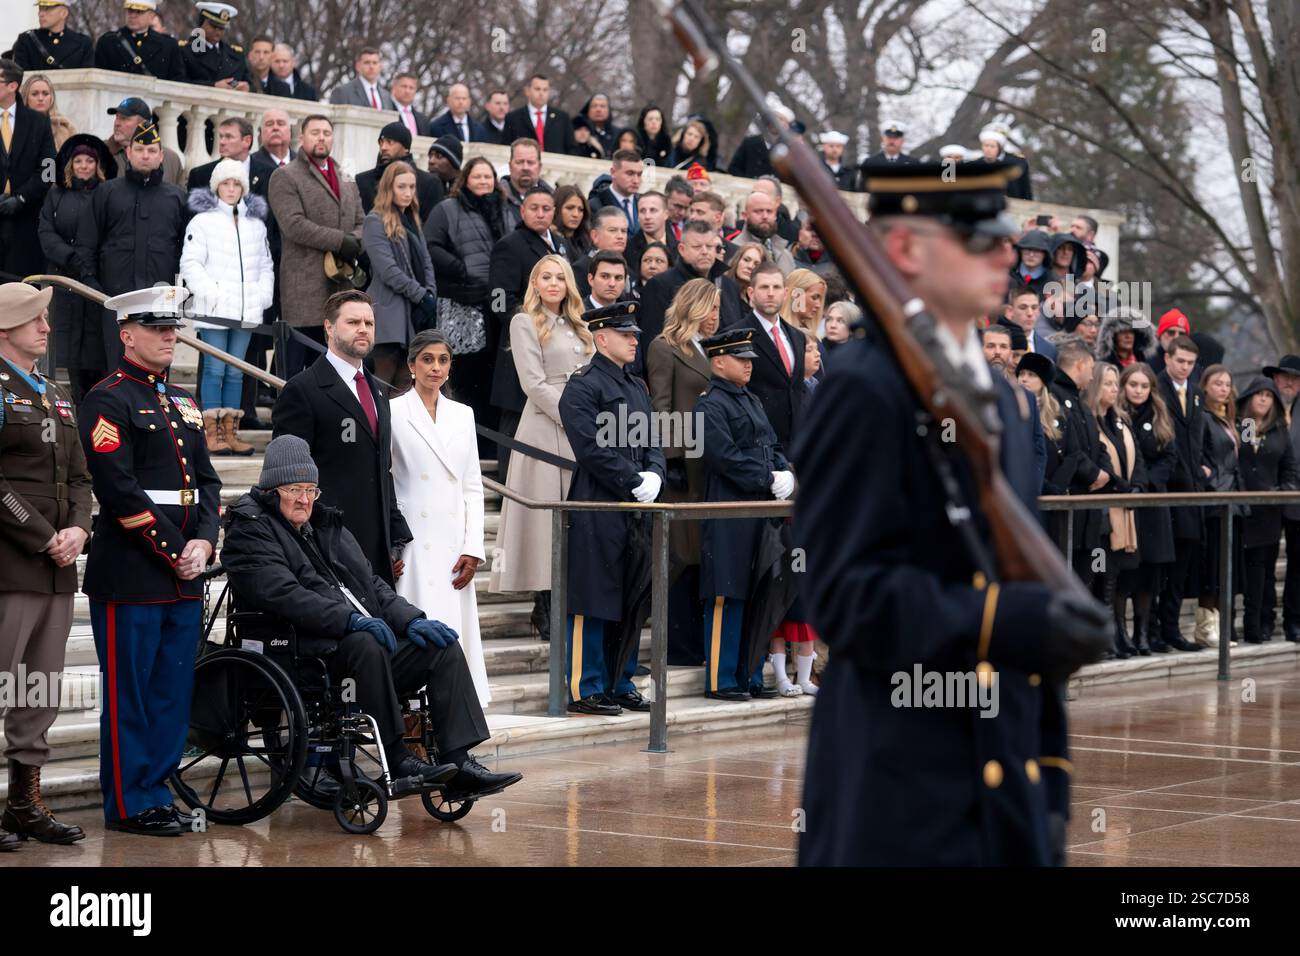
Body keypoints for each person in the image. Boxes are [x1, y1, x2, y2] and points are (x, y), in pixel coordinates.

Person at [795, 159, 1109, 866]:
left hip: (1007, 778)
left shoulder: (1002, 399)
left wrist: (1049, 776)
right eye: (976, 238)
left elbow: (1016, 560)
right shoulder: (863, 389)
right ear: (905, 249)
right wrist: (1008, 622)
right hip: (900, 789)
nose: (1006, 254)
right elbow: (848, 598)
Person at [220, 435, 521, 800]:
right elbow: (285, 596)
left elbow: (372, 584)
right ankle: (397, 759)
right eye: (294, 489)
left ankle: (458, 763)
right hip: (298, 648)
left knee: (442, 646)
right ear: (271, 488)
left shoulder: (324, 524)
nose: (304, 499)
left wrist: (411, 620)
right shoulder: (250, 527)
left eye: (311, 490)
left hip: (352, 645)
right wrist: (351, 621)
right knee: (366, 643)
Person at [78, 285, 222, 836]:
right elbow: (119, 489)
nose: (169, 336)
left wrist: (204, 543)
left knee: (170, 692)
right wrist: (174, 550)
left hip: (186, 574)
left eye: (173, 328)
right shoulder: (107, 399)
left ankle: (156, 792)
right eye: (157, 328)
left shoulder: (183, 400)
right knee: (131, 695)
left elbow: (206, 483)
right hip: (134, 573)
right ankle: (129, 803)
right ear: (126, 334)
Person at [0, 283, 92, 849]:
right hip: (11, 562)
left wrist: (80, 529)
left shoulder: (53, 391)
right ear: (5, 327)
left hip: (57, 567)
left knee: (40, 689)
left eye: (46, 319)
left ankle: (23, 803)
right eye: (34, 319)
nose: (46, 328)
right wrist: (42, 535)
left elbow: (80, 476)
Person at [559, 301, 666, 715]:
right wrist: (632, 479)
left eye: (635, 334)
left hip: (636, 506)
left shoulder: (636, 386)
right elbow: (590, 448)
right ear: (601, 338)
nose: (634, 340)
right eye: (626, 334)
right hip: (598, 502)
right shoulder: (583, 385)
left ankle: (619, 681)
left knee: (630, 595)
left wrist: (654, 472)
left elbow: (653, 436)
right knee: (593, 597)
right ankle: (585, 687)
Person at [272, 290, 412, 587]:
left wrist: (395, 531)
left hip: (376, 546)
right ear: (329, 328)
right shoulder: (302, 390)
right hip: (327, 545)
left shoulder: (377, 391)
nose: (363, 329)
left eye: (369, 323)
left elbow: (381, 467)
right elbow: (287, 476)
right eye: (353, 322)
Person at [490, 255, 593, 642]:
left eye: (560, 278)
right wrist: (573, 417)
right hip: (546, 424)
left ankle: (570, 597)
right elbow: (532, 383)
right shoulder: (524, 322)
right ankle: (544, 602)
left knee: (575, 516)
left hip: (581, 426)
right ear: (534, 283)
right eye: (545, 277)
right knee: (544, 518)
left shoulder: (579, 325)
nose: (553, 284)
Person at [389, 331, 490, 706]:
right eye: (427, 359)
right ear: (412, 365)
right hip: (413, 540)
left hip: (452, 546)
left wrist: (473, 547)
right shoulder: (393, 411)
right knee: (417, 633)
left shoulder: (463, 415)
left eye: (443, 360)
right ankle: (413, 719)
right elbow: (383, 481)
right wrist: (390, 544)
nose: (435, 367)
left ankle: (456, 720)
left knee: (454, 633)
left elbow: (472, 486)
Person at [695, 327, 796, 699]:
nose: (748, 365)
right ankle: (722, 679)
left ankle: (750, 674)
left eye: (750, 359)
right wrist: (768, 478)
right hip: (729, 509)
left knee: (757, 590)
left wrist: (786, 471)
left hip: (758, 510)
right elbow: (723, 458)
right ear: (719, 361)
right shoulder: (709, 404)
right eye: (740, 359)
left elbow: (772, 443)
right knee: (728, 593)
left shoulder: (750, 399)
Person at [646, 278, 720, 667]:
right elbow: (660, 407)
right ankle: (677, 643)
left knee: (697, 554)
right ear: (694, 306)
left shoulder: (706, 348)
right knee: (680, 553)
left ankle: (693, 642)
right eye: (711, 308)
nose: (716, 317)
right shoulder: (664, 347)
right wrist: (668, 459)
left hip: (707, 463)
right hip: (681, 467)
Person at [179, 157, 274, 456]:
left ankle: (231, 433)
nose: (231, 189)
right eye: (226, 183)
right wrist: (211, 293)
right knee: (215, 370)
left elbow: (266, 265)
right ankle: (211, 433)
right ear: (216, 186)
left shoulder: (255, 225)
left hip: (246, 310)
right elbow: (191, 263)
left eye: (236, 184)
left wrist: (261, 297)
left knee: (236, 372)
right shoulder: (202, 221)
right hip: (215, 309)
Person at [73, 120, 186, 371]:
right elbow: (87, 241)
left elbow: (185, 250)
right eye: (140, 150)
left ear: (161, 156)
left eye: (151, 151)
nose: (145, 155)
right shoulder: (107, 193)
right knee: (115, 364)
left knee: (157, 364)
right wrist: (91, 281)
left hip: (158, 297)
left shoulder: (177, 198)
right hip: (115, 297)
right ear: (129, 153)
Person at [267, 114, 364, 380]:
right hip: (304, 289)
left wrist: (355, 239)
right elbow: (294, 225)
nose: (321, 137)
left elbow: (360, 220)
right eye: (315, 132)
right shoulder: (285, 175)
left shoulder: (345, 174)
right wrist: (340, 240)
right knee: (297, 371)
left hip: (339, 288)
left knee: (333, 371)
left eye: (326, 133)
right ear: (301, 138)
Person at [424, 155, 506, 432]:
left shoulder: (502, 209)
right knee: (463, 375)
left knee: (489, 375)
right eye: (477, 176)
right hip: (462, 302)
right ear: (465, 179)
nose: (483, 182)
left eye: (488, 177)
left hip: (492, 304)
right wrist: (461, 269)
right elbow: (432, 246)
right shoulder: (447, 208)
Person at [38, 133, 113, 401]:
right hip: (65, 279)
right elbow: (46, 232)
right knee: (69, 347)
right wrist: (69, 257)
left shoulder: (107, 194)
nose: (83, 165)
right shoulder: (57, 194)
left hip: (94, 280)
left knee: (95, 349)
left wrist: (89, 265)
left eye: (89, 161)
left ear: (97, 164)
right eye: (78, 160)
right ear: (71, 164)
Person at [1116, 362, 1178, 655]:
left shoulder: (1160, 416)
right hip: (1126, 501)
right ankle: (1121, 633)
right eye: (1133, 385)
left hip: (1153, 504)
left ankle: (1143, 633)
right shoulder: (1115, 416)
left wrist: (1149, 482)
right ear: (1124, 386)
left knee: (1150, 573)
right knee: (1126, 572)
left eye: (1144, 386)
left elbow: (1169, 457)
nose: (1138, 391)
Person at [1155, 334, 1210, 652]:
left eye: (1190, 363)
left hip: (1192, 490)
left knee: (1181, 566)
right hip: (1165, 490)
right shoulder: (1156, 388)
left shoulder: (1197, 394)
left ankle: (1171, 629)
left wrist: (1203, 468)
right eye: (1180, 361)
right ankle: (1152, 631)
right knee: (1160, 566)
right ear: (1167, 358)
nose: (1185, 368)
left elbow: (1198, 438)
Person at [1087, 361, 1146, 658]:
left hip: (1124, 508)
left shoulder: (1120, 421)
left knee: (1114, 576)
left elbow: (1138, 460)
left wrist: (1136, 486)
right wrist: (1121, 486)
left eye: (1115, 384)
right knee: (1100, 572)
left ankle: (1115, 634)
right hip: (1100, 511)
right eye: (1108, 383)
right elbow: (1100, 466)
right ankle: (1102, 637)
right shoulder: (1087, 419)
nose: (1113, 389)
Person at [361, 161, 436, 394]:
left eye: (411, 187)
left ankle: (395, 431)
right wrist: (421, 294)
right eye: (401, 186)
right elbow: (387, 270)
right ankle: (378, 431)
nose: (407, 193)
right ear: (389, 188)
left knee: (406, 382)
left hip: (413, 314)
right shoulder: (375, 220)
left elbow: (426, 262)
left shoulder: (412, 219)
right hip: (388, 311)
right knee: (384, 381)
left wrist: (431, 293)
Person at [1235, 376, 1300, 643]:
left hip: (1270, 512)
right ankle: (1247, 624)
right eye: (1259, 394)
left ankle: (1264, 622)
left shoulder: (1279, 431)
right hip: (1241, 510)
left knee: (1266, 569)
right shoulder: (1241, 425)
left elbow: (1289, 468)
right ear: (1249, 397)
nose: (1263, 399)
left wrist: (1283, 489)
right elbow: (1242, 460)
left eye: (1269, 395)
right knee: (1247, 569)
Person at [634, 220, 726, 378]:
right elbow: (652, 340)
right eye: (697, 247)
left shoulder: (726, 284)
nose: (705, 252)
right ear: (682, 249)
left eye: (710, 247)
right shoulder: (660, 285)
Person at [734, 261, 805, 449]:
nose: (771, 293)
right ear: (751, 293)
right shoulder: (736, 336)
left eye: (776, 287)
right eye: (764, 287)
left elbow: (797, 390)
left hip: (797, 443)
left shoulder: (798, 337)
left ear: (786, 293)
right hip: (756, 444)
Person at [0, 59, 56, 281]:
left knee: (23, 289)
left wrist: (21, 198)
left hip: (26, 221)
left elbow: (48, 169)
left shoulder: (37, 122)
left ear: (12, 86)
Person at [1197, 363, 1240, 648]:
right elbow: (1197, 456)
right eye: (1217, 383)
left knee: (1227, 565)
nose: (1223, 388)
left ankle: (1224, 625)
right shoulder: (1203, 417)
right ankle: (1205, 626)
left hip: (1233, 500)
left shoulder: (1229, 419)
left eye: (1226, 384)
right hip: (1214, 500)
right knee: (1212, 564)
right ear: (1205, 387)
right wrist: (1206, 474)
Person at [1264, 354, 1300, 643]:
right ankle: (1263, 620)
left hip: (1296, 500)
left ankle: (1293, 621)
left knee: (1297, 566)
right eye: (1284, 376)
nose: (1289, 382)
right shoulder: (1261, 405)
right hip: (1265, 500)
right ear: (1274, 378)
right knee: (1263, 563)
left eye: (1295, 377)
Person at [354, 121, 444, 224]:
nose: (383, 147)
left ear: (406, 148)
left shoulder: (429, 183)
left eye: (390, 142)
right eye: (381, 142)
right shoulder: (362, 181)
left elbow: (432, 228)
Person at [93, 0, 186, 81]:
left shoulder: (168, 45)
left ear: (152, 16)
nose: (132, 15)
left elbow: (177, 81)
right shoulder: (109, 42)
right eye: (130, 10)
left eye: (139, 11)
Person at [102, 96, 183, 185]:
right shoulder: (99, 152)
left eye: (124, 118)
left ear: (143, 124)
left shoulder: (171, 159)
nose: (117, 123)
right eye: (117, 117)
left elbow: (181, 196)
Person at [179, 2, 250, 92]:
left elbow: (248, 82)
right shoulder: (185, 51)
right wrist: (213, 86)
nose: (218, 31)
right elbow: (178, 82)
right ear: (201, 24)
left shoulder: (236, 54)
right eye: (213, 26)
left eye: (221, 27)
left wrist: (242, 86)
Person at [503, 73, 576, 154]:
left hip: (555, 164)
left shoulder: (562, 118)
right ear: (527, 91)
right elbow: (506, 147)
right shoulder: (513, 118)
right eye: (537, 89)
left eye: (545, 90)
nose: (541, 93)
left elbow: (571, 148)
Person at [12, 1, 94, 71]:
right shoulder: (27, 40)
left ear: (64, 13)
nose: (41, 14)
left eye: (47, 8)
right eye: (40, 8)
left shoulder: (83, 44)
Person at [572, 205, 630, 301]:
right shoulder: (581, 269)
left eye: (624, 231)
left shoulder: (628, 266)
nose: (620, 236)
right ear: (595, 236)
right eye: (613, 230)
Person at [726, 104, 794, 179]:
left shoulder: (789, 152)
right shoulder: (750, 142)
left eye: (781, 119)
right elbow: (734, 169)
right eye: (774, 117)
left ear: (787, 126)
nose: (776, 121)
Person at [588, 149, 643, 233]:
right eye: (630, 173)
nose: (636, 180)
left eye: (639, 174)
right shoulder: (595, 205)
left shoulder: (643, 203)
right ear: (613, 172)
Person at [18, 73, 74, 150]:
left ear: (52, 98)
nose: (40, 98)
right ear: (26, 98)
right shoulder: (14, 125)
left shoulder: (63, 129)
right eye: (34, 94)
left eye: (45, 93)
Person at [1003, 284, 1056, 362]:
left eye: (1034, 307)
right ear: (1010, 311)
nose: (1030, 313)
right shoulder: (997, 345)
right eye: (1023, 307)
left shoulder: (1050, 349)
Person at [328, 47, 394, 109]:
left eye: (375, 63)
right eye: (367, 63)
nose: (371, 67)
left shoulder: (387, 96)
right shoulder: (343, 92)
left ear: (380, 67)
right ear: (358, 66)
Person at [979, 126, 1032, 200]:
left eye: (992, 146)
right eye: (986, 145)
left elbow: (1025, 189)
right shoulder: (977, 164)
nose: (988, 149)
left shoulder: (1017, 162)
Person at [552, 183, 592, 261]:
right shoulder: (550, 240)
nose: (576, 214)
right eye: (570, 208)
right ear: (556, 209)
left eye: (580, 210)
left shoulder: (586, 242)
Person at [391, 73, 433, 138]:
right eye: (404, 86)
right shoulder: (387, 110)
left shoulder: (423, 120)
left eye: (411, 88)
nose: (407, 91)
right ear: (394, 88)